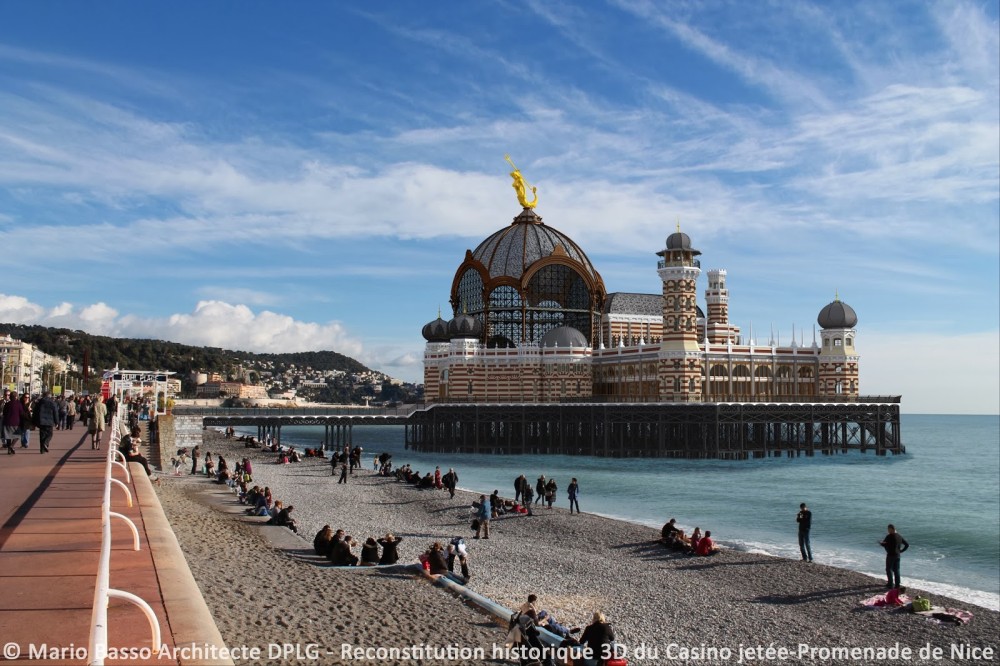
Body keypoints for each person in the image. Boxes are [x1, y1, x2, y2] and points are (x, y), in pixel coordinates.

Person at [880, 524, 909, 589]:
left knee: (889, 569)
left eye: (888, 529)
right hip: (898, 555)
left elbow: (884, 544)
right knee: (897, 570)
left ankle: (890, 584)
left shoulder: (889, 536)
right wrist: (901, 551)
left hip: (891, 555)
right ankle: (897, 585)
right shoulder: (899, 536)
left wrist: (881, 543)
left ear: (892, 529)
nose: (888, 531)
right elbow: (907, 545)